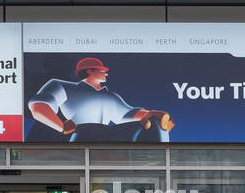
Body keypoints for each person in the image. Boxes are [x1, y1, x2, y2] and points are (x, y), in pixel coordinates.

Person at [28, 57, 175, 141]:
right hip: (82, 137)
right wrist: (61, 126)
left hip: (107, 141)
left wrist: (152, 116)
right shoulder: (64, 86)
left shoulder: (110, 96)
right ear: (89, 70)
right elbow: (39, 107)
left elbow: (126, 114)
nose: (106, 73)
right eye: (102, 70)